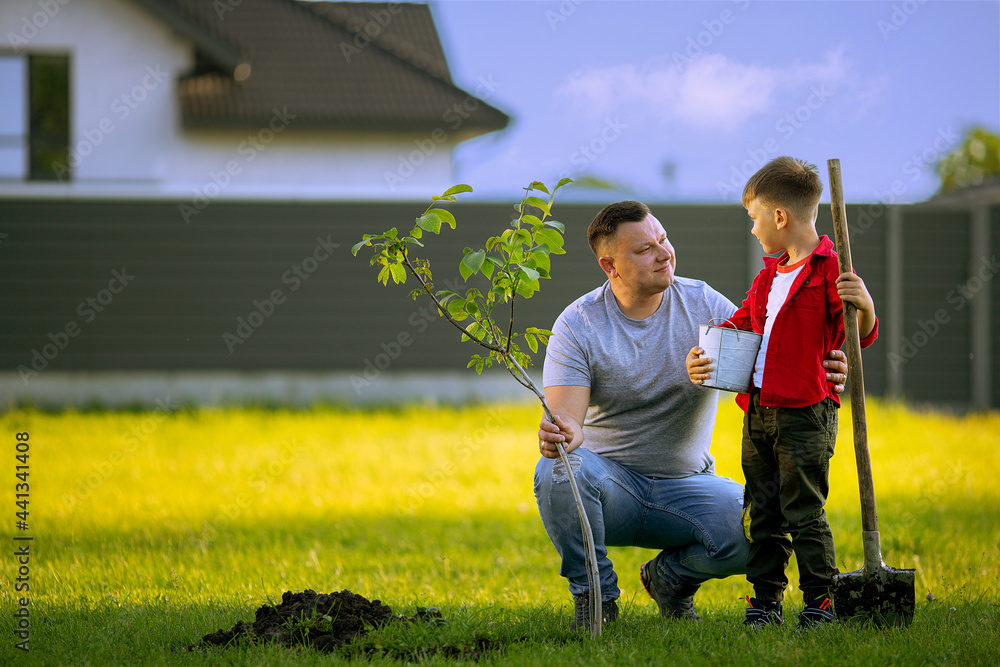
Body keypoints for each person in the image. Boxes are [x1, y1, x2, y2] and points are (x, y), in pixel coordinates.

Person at [536, 199, 850, 632]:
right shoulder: (579, 323)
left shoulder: (704, 302)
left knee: (756, 533)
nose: (664, 253)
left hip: (688, 487)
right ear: (611, 266)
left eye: (663, 239)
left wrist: (827, 363)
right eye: (645, 249)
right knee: (556, 469)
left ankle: (669, 580)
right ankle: (596, 595)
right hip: (612, 491)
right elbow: (567, 420)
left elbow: (776, 357)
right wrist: (560, 432)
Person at [688, 156, 878, 630]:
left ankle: (821, 601)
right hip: (758, 413)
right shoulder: (769, 275)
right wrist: (704, 349)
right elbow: (744, 321)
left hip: (805, 414)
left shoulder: (832, 268)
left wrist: (867, 306)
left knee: (804, 510)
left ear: (779, 217)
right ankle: (765, 602)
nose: (752, 229)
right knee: (763, 512)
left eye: (754, 218)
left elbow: (858, 333)